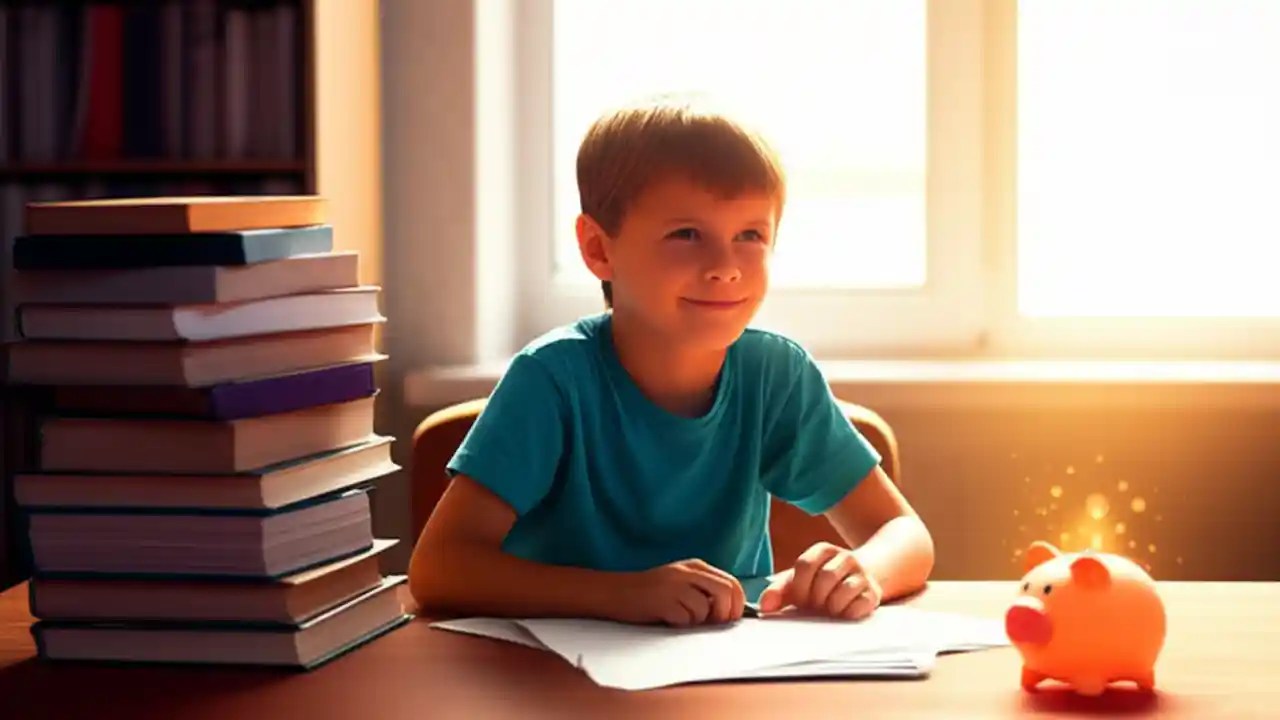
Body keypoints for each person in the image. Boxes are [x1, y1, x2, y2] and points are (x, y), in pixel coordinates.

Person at [408, 95, 934, 627]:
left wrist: (863, 572)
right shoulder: (552, 381)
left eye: (750, 235)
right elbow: (439, 568)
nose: (725, 266)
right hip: (557, 668)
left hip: (730, 663)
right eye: (686, 234)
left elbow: (905, 535)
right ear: (599, 249)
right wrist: (622, 595)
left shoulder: (776, 375)